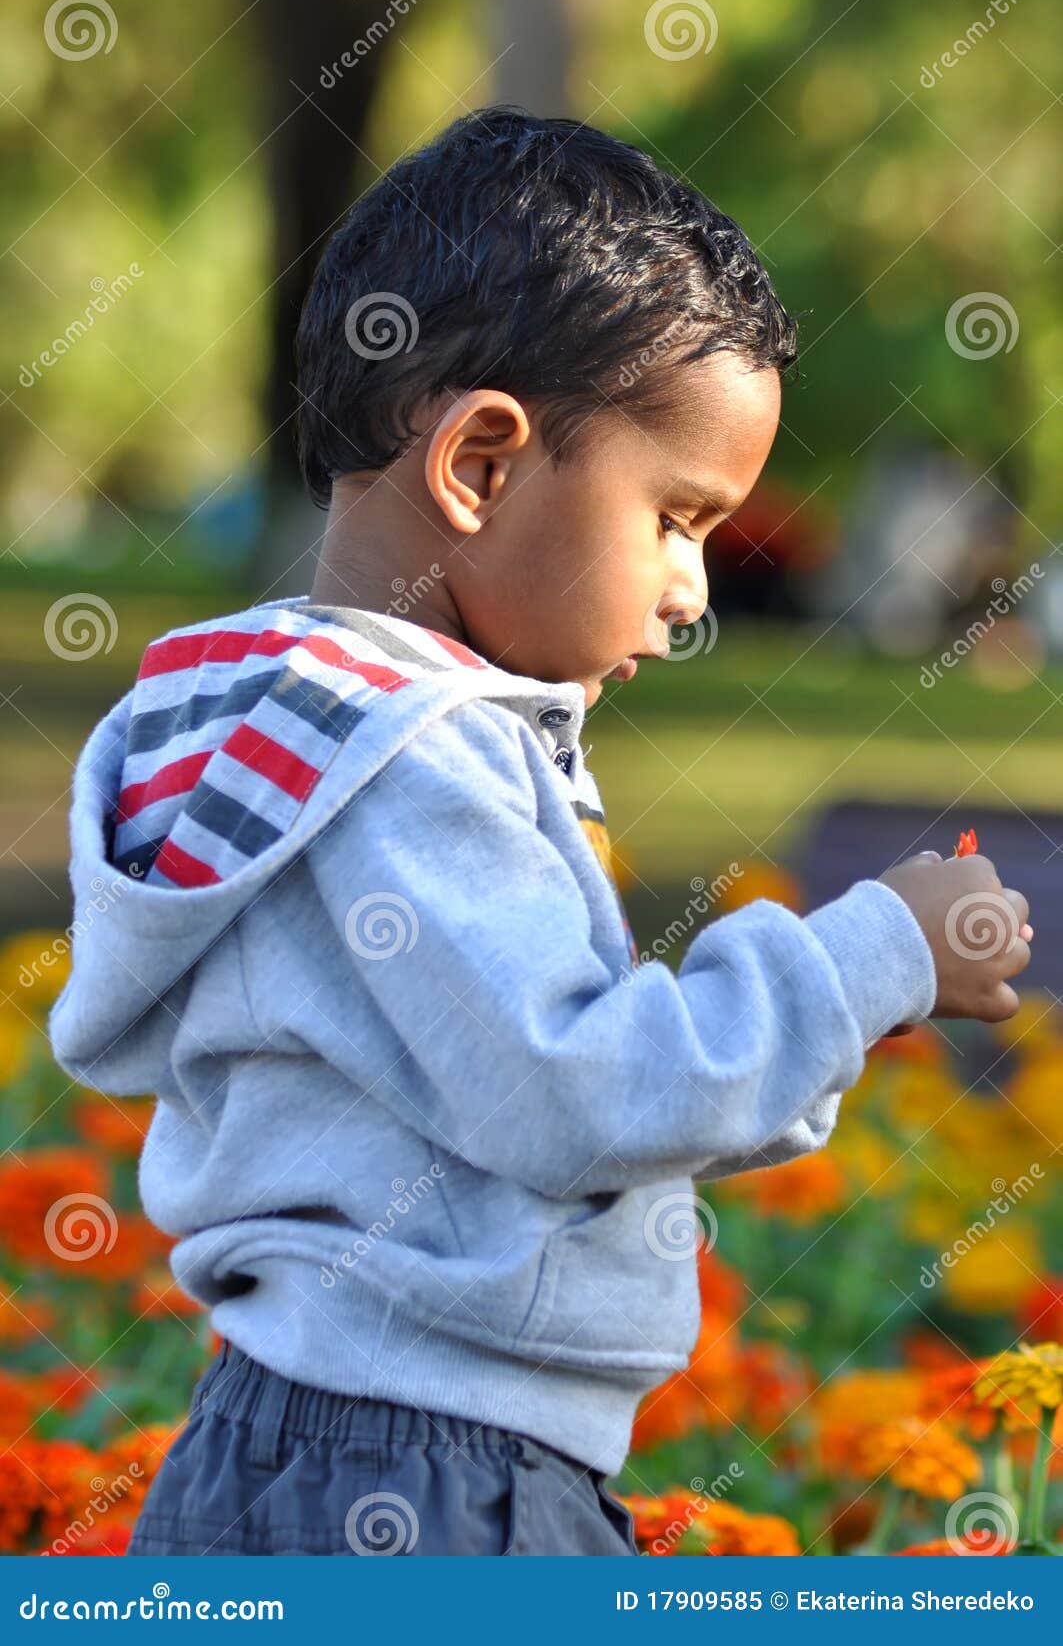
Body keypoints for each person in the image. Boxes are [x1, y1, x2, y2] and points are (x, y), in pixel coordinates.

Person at [49, 106, 1031, 1556]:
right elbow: (583, 1094)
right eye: (679, 517)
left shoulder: (290, 731)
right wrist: (877, 950)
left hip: (310, 1448)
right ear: (483, 466)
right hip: (427, 1478)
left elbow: (541, 1100)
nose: (694, 590)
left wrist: (831, 1015)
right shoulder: (406, 766)